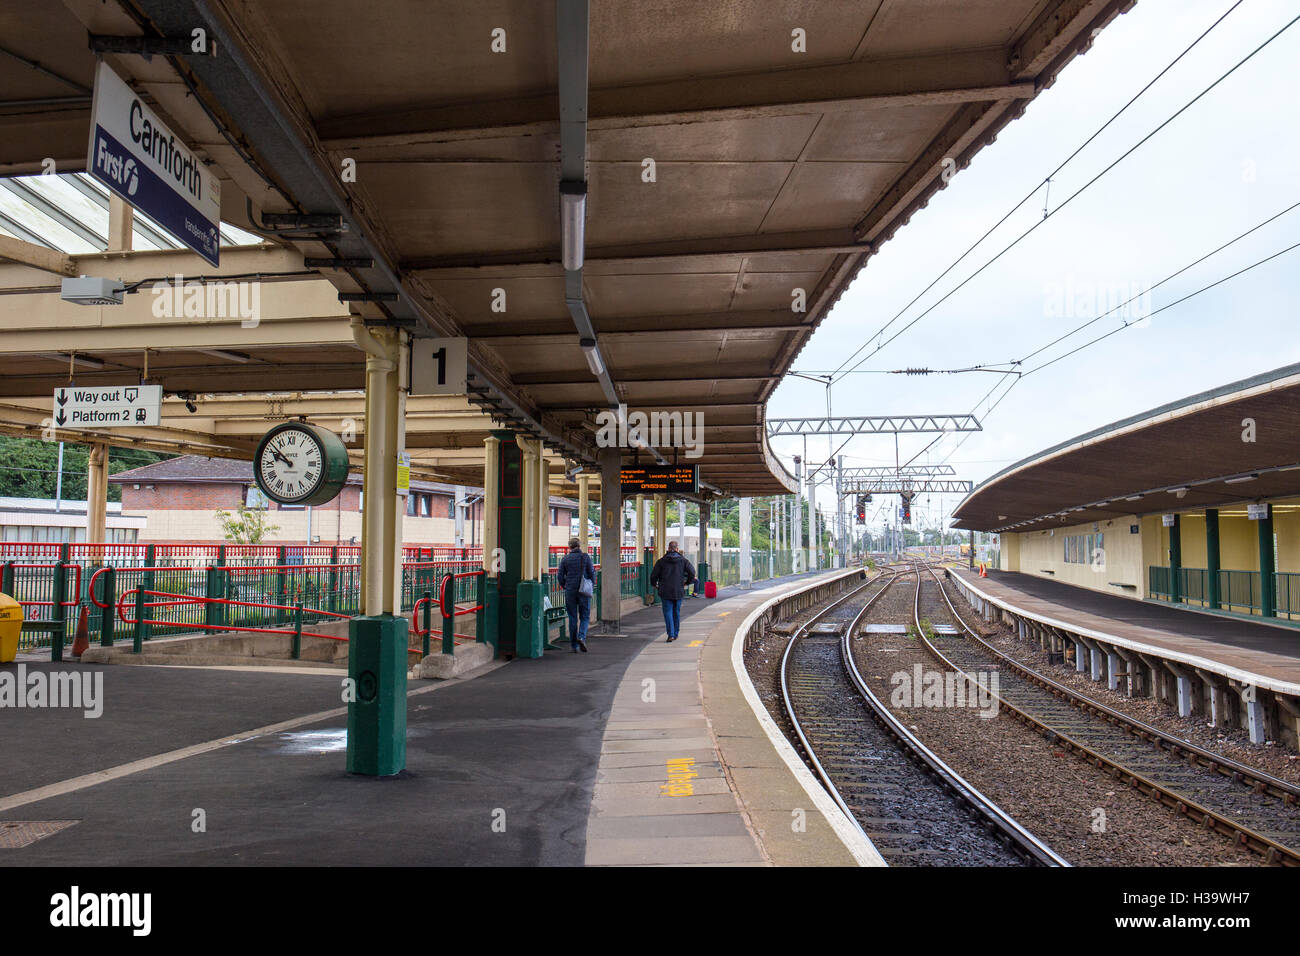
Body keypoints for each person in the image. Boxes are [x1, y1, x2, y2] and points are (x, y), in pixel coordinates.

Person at [649, 540, 696, 642]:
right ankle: (676, 633)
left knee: (668, 612)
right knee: (676, 612)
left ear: (668, 549)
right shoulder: (683, 561)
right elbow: (692, 572)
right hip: (678, 590)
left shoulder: (661, 561)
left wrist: (654, 585)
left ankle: (671, 634)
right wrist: (687, 582)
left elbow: (653, 576)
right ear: (677, 549)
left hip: (665, 590)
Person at [556, 537, 595, 653]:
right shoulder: (585, 557)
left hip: (570, 591)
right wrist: (591, 585)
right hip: (583, 590)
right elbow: (592, 573)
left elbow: (560, 576)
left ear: (570, 547)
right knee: (585, 616)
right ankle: (581, 637)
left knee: (572, 617)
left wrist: (566, 586)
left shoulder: (565, 559)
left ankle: (574, 646)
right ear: (579, 546)